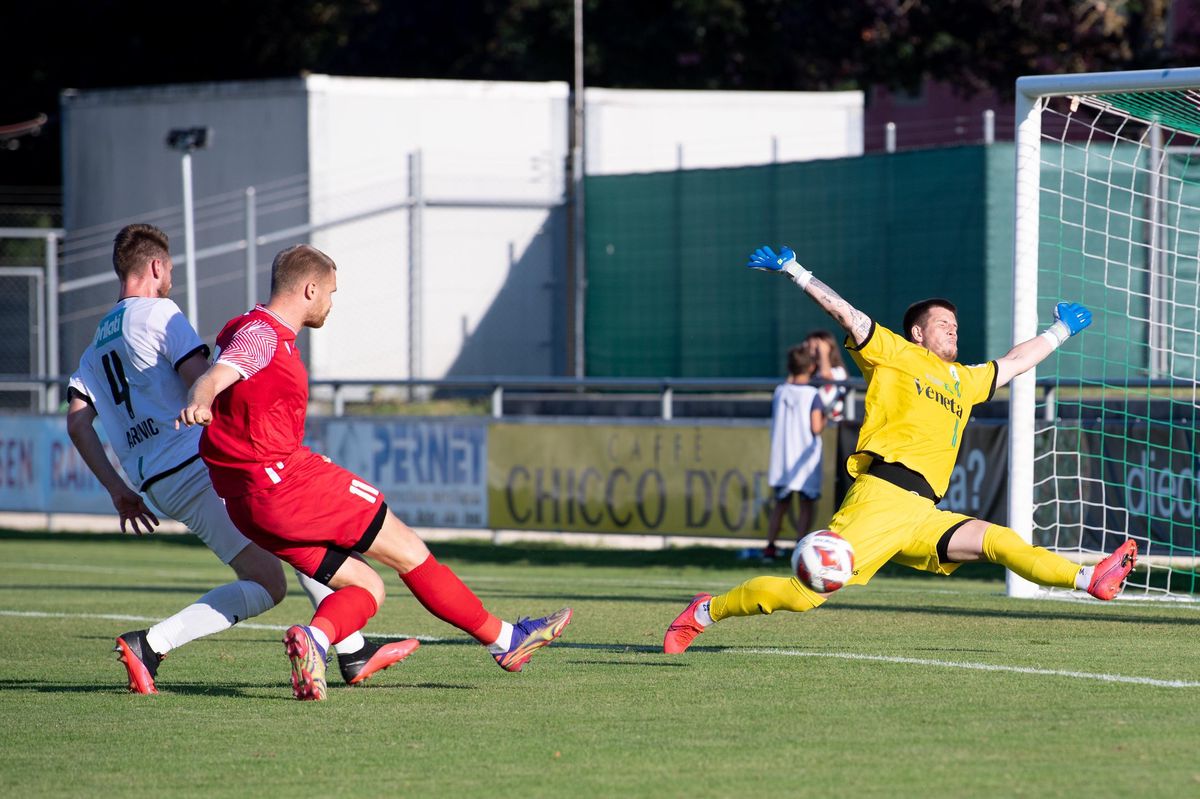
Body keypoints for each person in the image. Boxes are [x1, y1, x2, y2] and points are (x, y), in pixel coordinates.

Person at [663, 244, 1138, 653]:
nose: (953, 329)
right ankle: (705, 611)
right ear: (918, 332)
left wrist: (1058, 332)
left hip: (921, 513)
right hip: (880, 497)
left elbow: (1014, 363)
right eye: (942, 323)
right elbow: (845, 314)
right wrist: (797, 272)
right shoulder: (893, 353)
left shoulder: (965, 380)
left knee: (999, 540)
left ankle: (1088, 579)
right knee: (802, 595)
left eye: (956, 324)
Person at [178, 243, 572, 700]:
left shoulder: (243, 325)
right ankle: (506, 642)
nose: (331, 303)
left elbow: (228, 369)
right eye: (330, 293)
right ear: (309, 289)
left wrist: (206, 400)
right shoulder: (263, 335)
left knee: (366, 585)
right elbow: (218, 374)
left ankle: (317, 640)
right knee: (408, 549)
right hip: (286, 482)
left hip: (249, 504)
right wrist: (200, 400)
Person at [66, 223, 418, 695]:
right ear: (156, 266)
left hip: (157, 482)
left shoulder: (94, 345)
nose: (171, 277)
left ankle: (353, 651)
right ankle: (150, 644)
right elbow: (208, 380)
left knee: (287, 541)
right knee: (274, 565)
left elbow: (77, 422)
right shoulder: (158, 315)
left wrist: (118, 491)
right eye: (170, 268)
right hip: (197, 462)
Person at [762, 345, 825, 560]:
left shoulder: (780, 391)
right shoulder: (813, 395)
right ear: (812, 367)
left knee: (781, 505)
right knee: (806, 506)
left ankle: (770, 546)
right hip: (804, 460)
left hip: (782, 460)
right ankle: (800, 547)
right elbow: (816, 427)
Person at [803, 329, 849, 421]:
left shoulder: (838, 371)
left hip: (833, 421)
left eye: (816, 349)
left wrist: (823, 353)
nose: (812, 352)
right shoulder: (812, 372)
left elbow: (826, 375)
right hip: (814, 420)